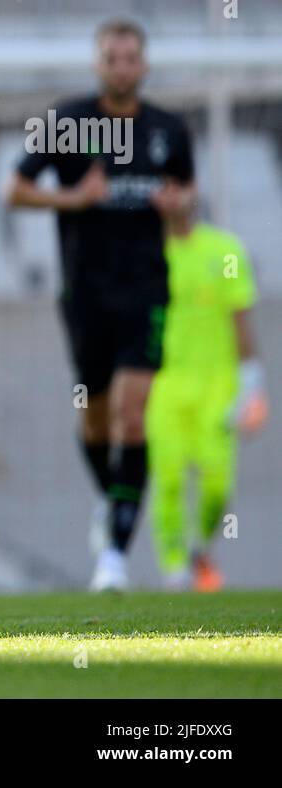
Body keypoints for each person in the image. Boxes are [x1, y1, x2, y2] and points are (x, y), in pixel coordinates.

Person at [6, 17, 196, 591]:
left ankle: (112, 556)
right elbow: (16, 190)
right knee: (95, 420)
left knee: (132, 414)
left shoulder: (168, 129)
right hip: (85, 293)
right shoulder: (67, 122)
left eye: (131, 57)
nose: (122, 67)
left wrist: (176, 205)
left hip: (146, 289)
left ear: (144, 64)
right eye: (112, 57)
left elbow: (187, 200)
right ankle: (112, 501)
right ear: (98, 64)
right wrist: (74, 196)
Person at [146, 190, 268, 590]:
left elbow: (241, 317)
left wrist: (253, 383)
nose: (173, 196)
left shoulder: (225, 252)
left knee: (217, 485)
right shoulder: (144, 256)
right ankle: (175, 567)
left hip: (218, 384)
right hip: (163, 384)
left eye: (181, 185)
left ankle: (200, 549)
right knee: (169, 478)